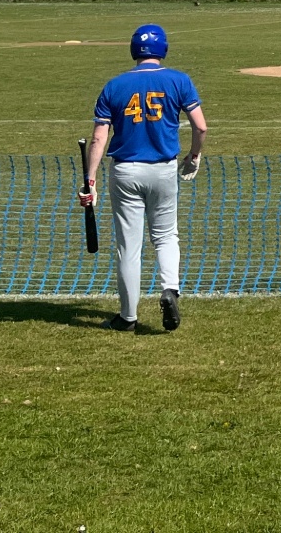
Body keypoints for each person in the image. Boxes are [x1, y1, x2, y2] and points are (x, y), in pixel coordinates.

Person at [79, 24, 206, 332]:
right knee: (166, 236)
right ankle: (170, 289)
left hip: (125, 172)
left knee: (128, 247)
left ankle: (127, 317)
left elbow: (98, 138)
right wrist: (194, 156)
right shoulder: (179, 80)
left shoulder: (114, 85)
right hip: (163, 169)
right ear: (164, 49)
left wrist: (90, 181)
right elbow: (200, 126)